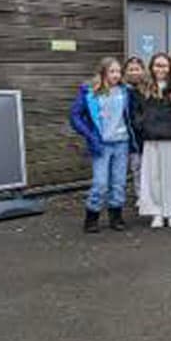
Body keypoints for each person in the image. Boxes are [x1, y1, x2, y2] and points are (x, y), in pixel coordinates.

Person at [71, 57, 137, 233]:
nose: (116, 75)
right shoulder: (90, 92)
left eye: (118, 71)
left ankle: (116, 216)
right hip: (101, 144)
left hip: (122, 143)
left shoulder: (126, 91)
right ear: (103, 73)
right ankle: (91, 216)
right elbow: (75, 116)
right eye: (112, 71)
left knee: (119, 182)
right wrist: (89, 134)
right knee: (100, 183)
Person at [132, 53, 171, 228]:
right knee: (152, 176)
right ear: (151, 67)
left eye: (164, 65)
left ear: (170, 68)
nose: (160, 69)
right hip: (151, 136)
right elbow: (137, 112)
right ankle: (156, 212)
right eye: (157, 65)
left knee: (170, 177)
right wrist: (143, 125)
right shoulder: (143, 88)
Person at [122, 57, 146, 206]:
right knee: (136, 166)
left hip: (147, 133)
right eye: (131, 69)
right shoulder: (123, 91)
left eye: (137, 69)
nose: (134, 72)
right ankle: (140, 196)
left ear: (143, 71)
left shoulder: (147, 88)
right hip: (131, 135)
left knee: (148, 167)